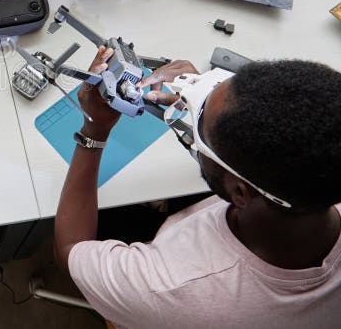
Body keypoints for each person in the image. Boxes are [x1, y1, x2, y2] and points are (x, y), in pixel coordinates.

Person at [54, 47, 341, 329]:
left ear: (240, 193)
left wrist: (94, 130)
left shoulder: (166, 287)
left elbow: (71, 249)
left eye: (200, 122)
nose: (193, 110)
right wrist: (216, 101)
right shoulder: (317, 180)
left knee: (116, 216)